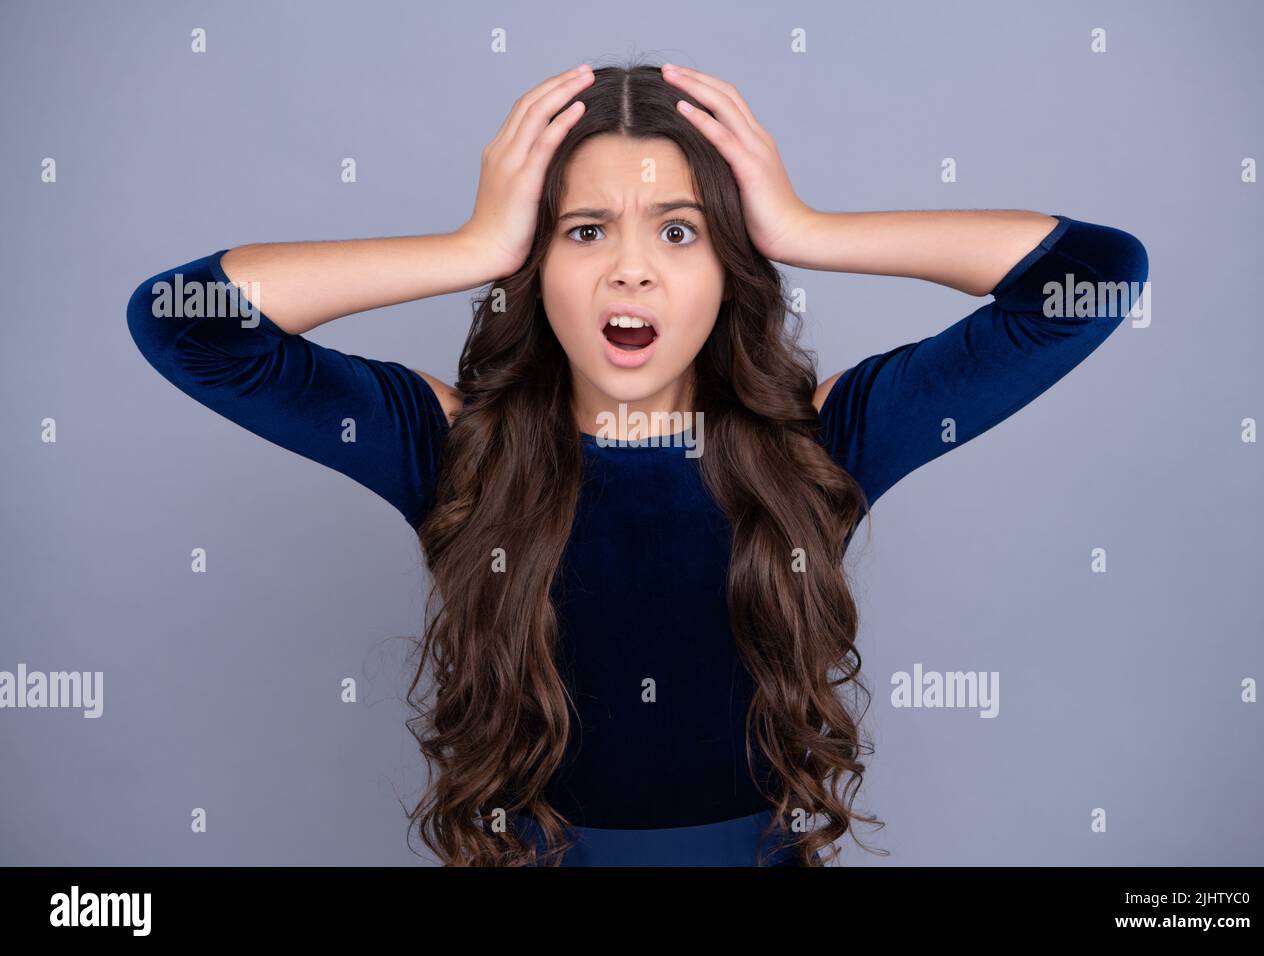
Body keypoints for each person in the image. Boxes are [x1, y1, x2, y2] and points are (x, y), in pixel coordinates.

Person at [126, 61, 1148, 866]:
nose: (631, 266)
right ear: (536, 269)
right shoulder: (451, 444)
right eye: (582, 230)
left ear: (728, 265)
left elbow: (1094, 277)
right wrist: (471, 244)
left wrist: (805, 229)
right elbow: (186, 323)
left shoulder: (821, 440)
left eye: (678, 229)